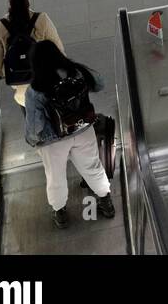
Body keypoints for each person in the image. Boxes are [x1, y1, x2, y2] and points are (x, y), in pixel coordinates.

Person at [24, 40, 115, 229]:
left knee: (55, 176)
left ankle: (60, 213)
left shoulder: (35, 90)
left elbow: (35, 127)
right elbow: (100, 84)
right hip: (83, 129)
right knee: (92, 166)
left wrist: (33, 141)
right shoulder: (76, 72)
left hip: (53, 140)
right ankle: (105, 201)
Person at [0, 0, 64, 109]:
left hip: (23, 95)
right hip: (48, 85)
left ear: (9, 1)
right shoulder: (42, 19)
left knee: (33, 123)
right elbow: (59, 51)